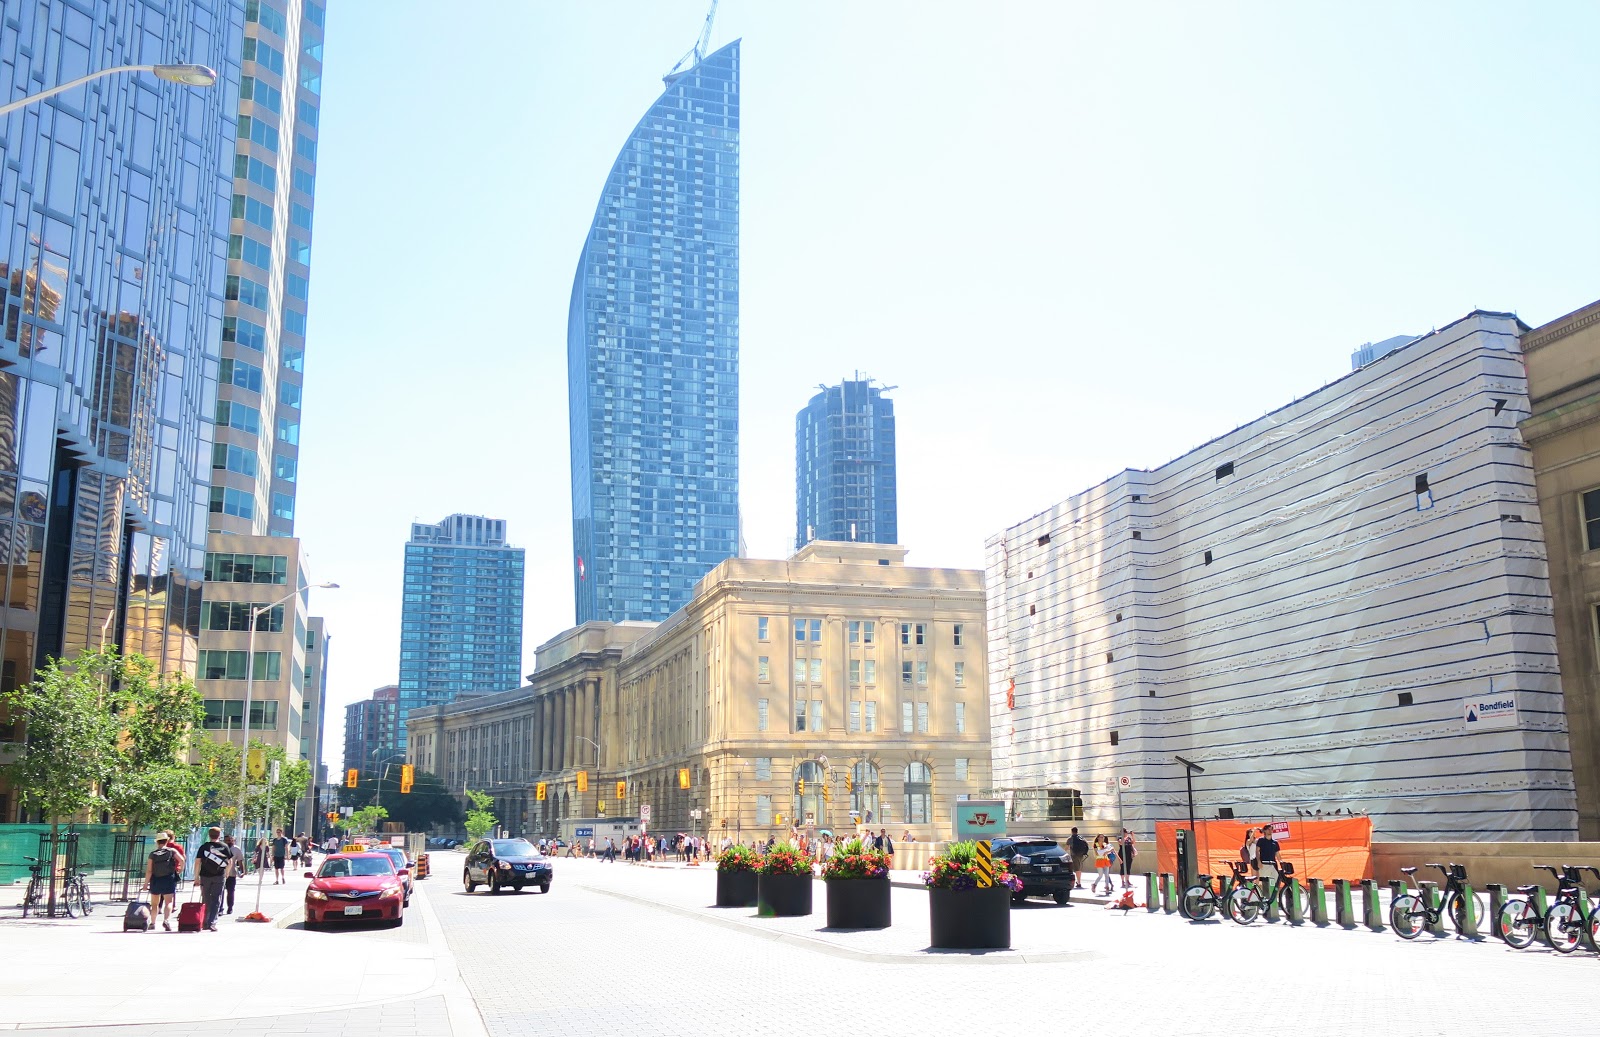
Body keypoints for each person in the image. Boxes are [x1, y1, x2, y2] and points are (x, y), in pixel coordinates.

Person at [195, 826, 232, 931]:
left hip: (205, 876)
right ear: (219, 835)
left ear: (209, 835)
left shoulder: (204, 847)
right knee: (216, 899)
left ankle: (205, 922)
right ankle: (212, 922)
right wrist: (227, 873)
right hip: (219, 876)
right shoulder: (224, 847)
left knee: (205, 898)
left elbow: (197, 862)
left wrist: (196, 877)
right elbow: (230, 862)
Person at [142, 834, 182, 931]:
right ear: (167, 841)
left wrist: (146, 884)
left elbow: (149, 870)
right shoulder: (172, 851)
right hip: (169, 878)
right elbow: (182, 860)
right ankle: (166, 920)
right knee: (169, 902)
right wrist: (180, 870)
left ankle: (152, 923)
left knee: (155, 904)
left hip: (156, 879)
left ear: (157, 842)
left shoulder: (153, 854)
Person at [223, 835, 246, 914]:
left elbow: (240, 861)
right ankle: (220, 908)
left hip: (231, 874)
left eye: (230, 840)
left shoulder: (236, 849)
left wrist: (242, 871)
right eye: (226, 840)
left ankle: (230, 907)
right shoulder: (221, 848)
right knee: (220, 892)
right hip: (221, 874)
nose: (228, 842)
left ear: (233, 840)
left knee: (230, 891)